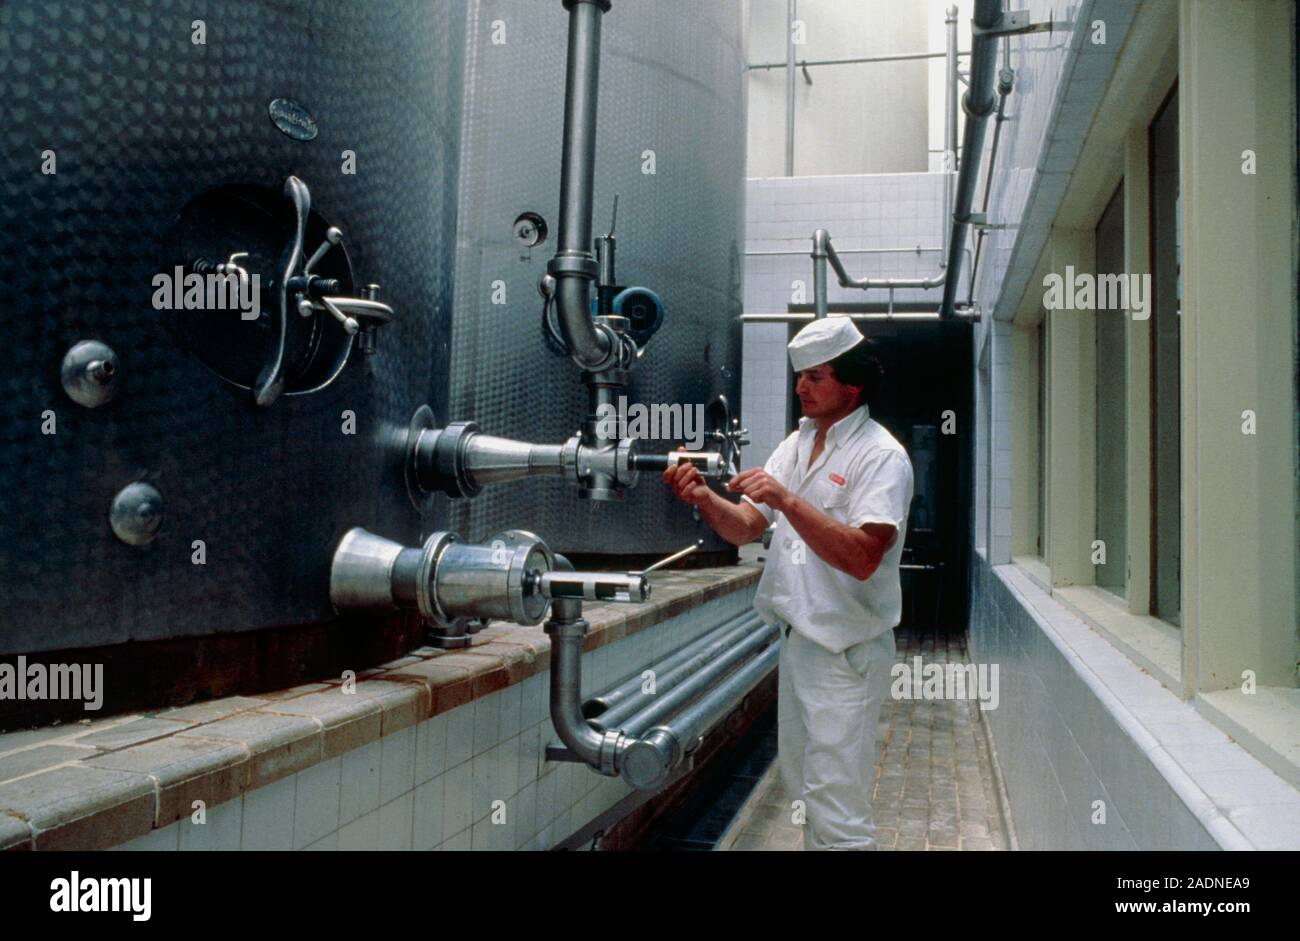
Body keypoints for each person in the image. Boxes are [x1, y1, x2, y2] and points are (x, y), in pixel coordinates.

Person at [663, 317, 913, 850]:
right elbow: (748, 526)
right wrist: (704, 499)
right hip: (800, 645)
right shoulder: (798, 443)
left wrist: (787, 500)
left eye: (816, 377)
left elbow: (865, 557)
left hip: (846, 650)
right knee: (807, 793)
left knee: (838, 811)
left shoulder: (880, 455)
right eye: (799, 376)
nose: (801, 387)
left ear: (853, 384)